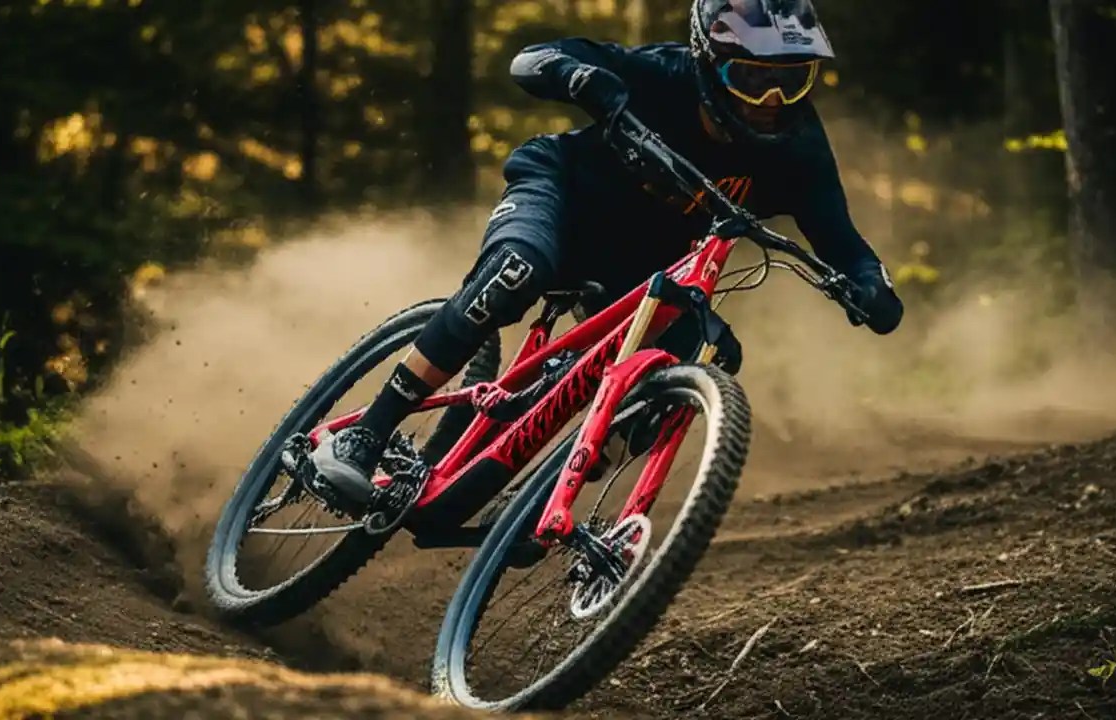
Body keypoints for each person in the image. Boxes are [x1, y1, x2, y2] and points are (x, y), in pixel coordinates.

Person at [312, 0, 904, 505]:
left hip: (640, 267)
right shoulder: (659, 74)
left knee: (704, 350)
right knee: (518, 273)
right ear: (707, 63)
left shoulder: (799, 147)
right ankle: (368, 433)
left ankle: (542, 494)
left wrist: (870, 285)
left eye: (793, 79)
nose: (771, 99)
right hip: (560, 198)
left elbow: (840, 239)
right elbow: (530, 59)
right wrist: (579, 79)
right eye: (750, 79)